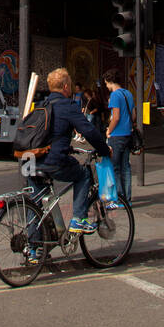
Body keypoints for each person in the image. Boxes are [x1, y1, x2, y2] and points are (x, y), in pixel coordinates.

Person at [35, 68, 112, 239]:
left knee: (35, 202)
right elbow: (89, 130)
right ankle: (78, 219)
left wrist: (69, 148)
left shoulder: (41, 105)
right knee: (83, 174)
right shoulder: (67, 105)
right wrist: (105, 150)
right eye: (68, 85)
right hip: (54, 160)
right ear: (65, 87)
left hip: (33, 160)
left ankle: (33, 249)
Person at [102, 71, 135, 206]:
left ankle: (119, 199)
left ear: (110, 81)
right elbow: (133, 115)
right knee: (126, 167)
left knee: (115, 168)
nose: (106, 87)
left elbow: (116, 117)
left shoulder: (115, 95)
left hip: (117, 135)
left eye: (106, 84)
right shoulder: (128, 94)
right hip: (128, 134)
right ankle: (127, 199)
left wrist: (109, 130)